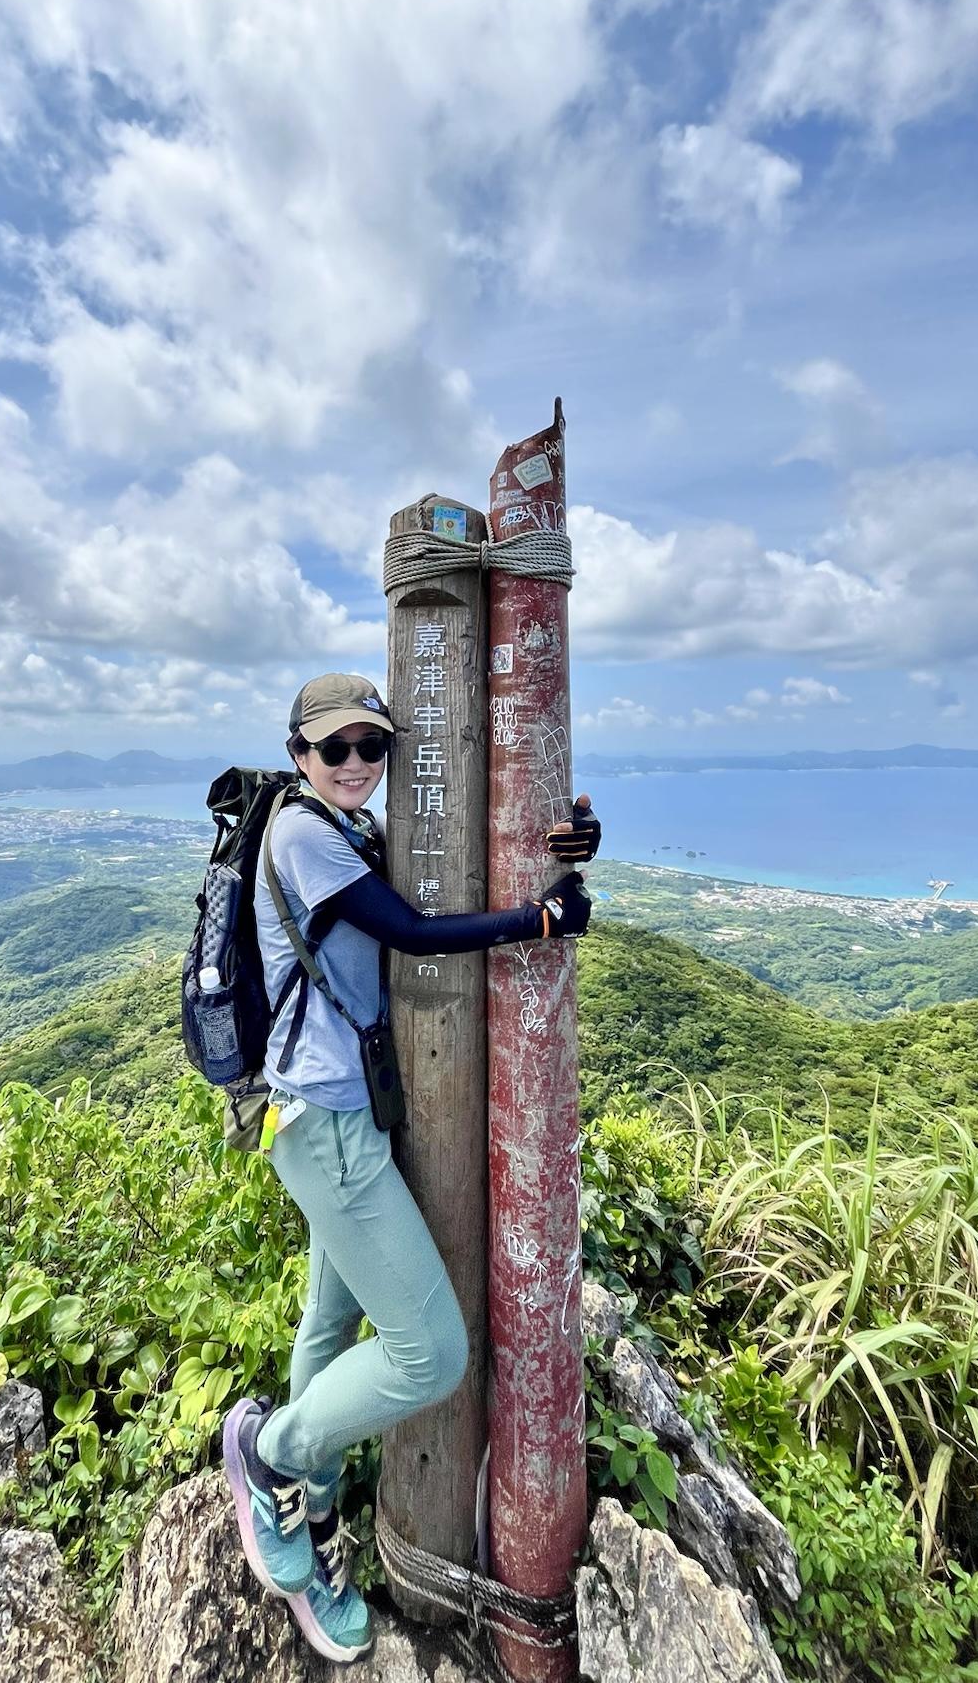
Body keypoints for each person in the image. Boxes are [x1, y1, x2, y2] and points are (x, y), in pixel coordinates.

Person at [222, 672, 598, 1664]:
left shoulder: (346, 831)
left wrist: (558, 844)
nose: (356, 763)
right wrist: (540, 924)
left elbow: (448, 867)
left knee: (330, 1324)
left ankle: (309, 1529)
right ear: (300, 753)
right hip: (328, 1128)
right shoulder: (304, 836)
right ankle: (272, 1455)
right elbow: (416, 933)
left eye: (371, 748)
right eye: (336, 747)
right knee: (430, 1352)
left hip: (343, 1118)